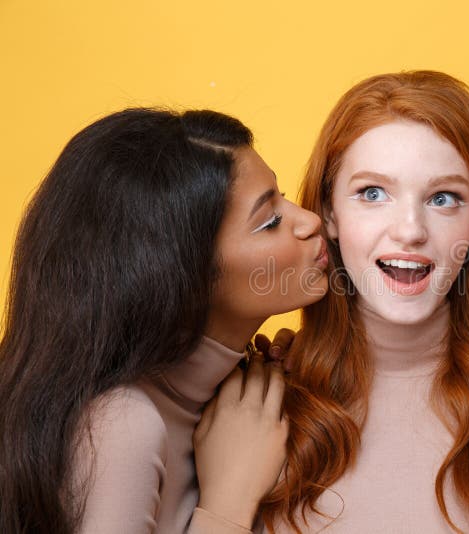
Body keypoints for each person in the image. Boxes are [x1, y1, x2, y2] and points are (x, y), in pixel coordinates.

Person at [253, 71, 469, 533]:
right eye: (372, 193)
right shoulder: (255, 411)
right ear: (329, 212)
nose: (410, 230)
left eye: (444, 197)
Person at [0, 108, 328, 533]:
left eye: (281, 196)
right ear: (180, 275)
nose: (309, 221)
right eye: (269, 222)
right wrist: (228, 502)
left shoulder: (232, 397)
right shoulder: (121, 427)